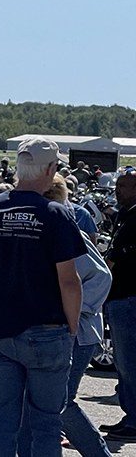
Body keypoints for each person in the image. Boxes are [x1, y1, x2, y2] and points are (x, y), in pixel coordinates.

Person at [0, 137, 85, 457]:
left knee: (3, 417)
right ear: (51, 169)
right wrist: (72, 329)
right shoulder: (56, 214)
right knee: (45, 422)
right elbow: (69, 282)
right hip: (47, 330)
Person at [26, 176, 114, 456]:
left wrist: (69, 312)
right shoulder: (46, 232)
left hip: (78, 334)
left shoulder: (67, 232)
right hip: (60, 331)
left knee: (60, 402)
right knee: (45, 405)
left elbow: (101, 278)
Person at [102, 171, 136, 441]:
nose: (118, 190)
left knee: (129, 363)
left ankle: (134, 421)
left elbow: (119, 257)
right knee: (124, 363)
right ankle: (131, 416)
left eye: (124, 186)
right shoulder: (124, 216)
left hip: (129, 298)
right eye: (117, 185)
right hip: (119, 297)